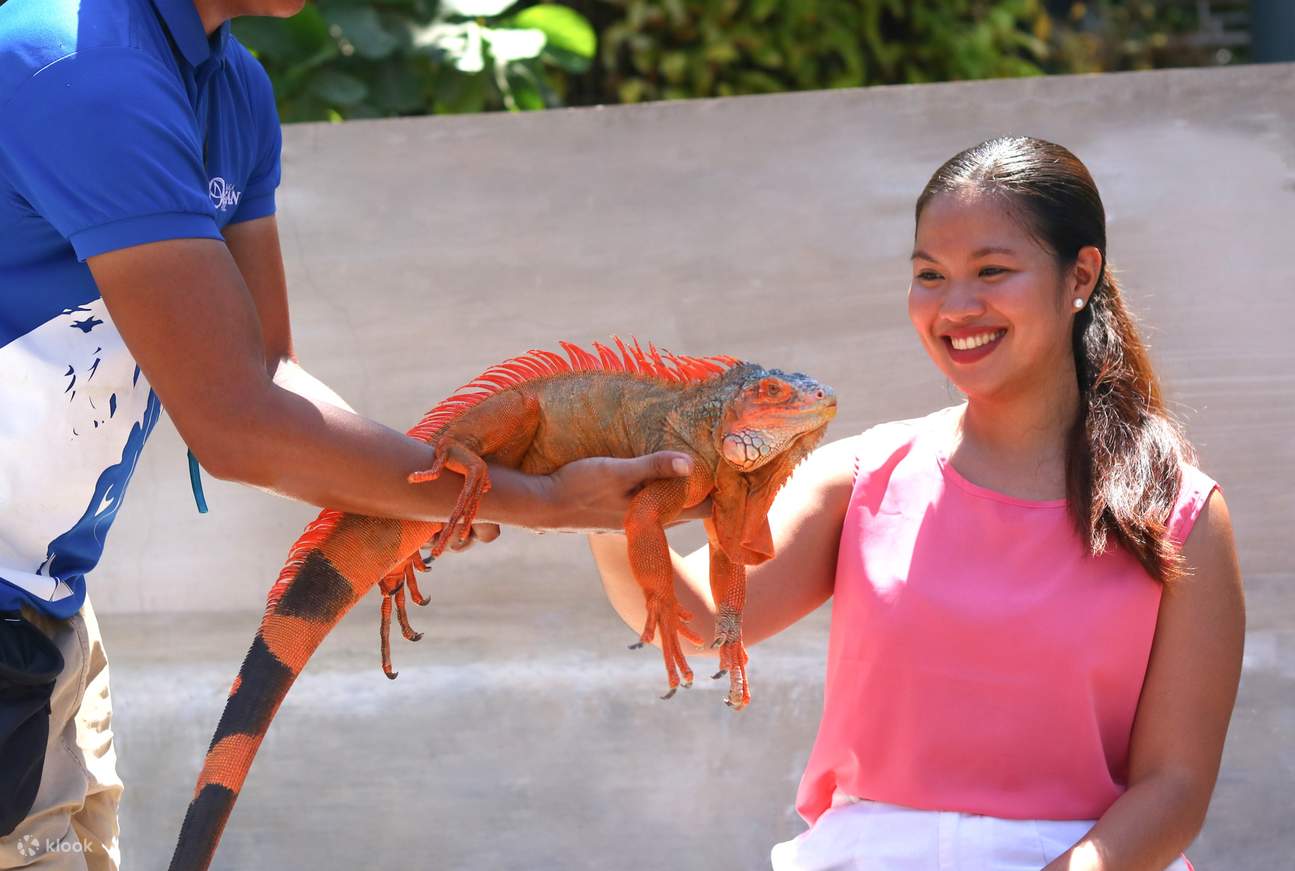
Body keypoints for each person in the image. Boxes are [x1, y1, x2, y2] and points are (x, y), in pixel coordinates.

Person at [0, 1, 698, 867]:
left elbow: (266, 370)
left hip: (50, 606)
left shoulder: (233, 87)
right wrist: (538, 501)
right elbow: (236, 425)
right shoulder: (80, 66)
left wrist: (431, 484)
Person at [591, 136, 1245, 870]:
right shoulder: (862, 476)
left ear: (1080, 276)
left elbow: (1174, 787)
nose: (955, 307)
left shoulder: (1179, 515)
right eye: (929, 275)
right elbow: (704, 617)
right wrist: (607, 512)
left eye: (991, 271)